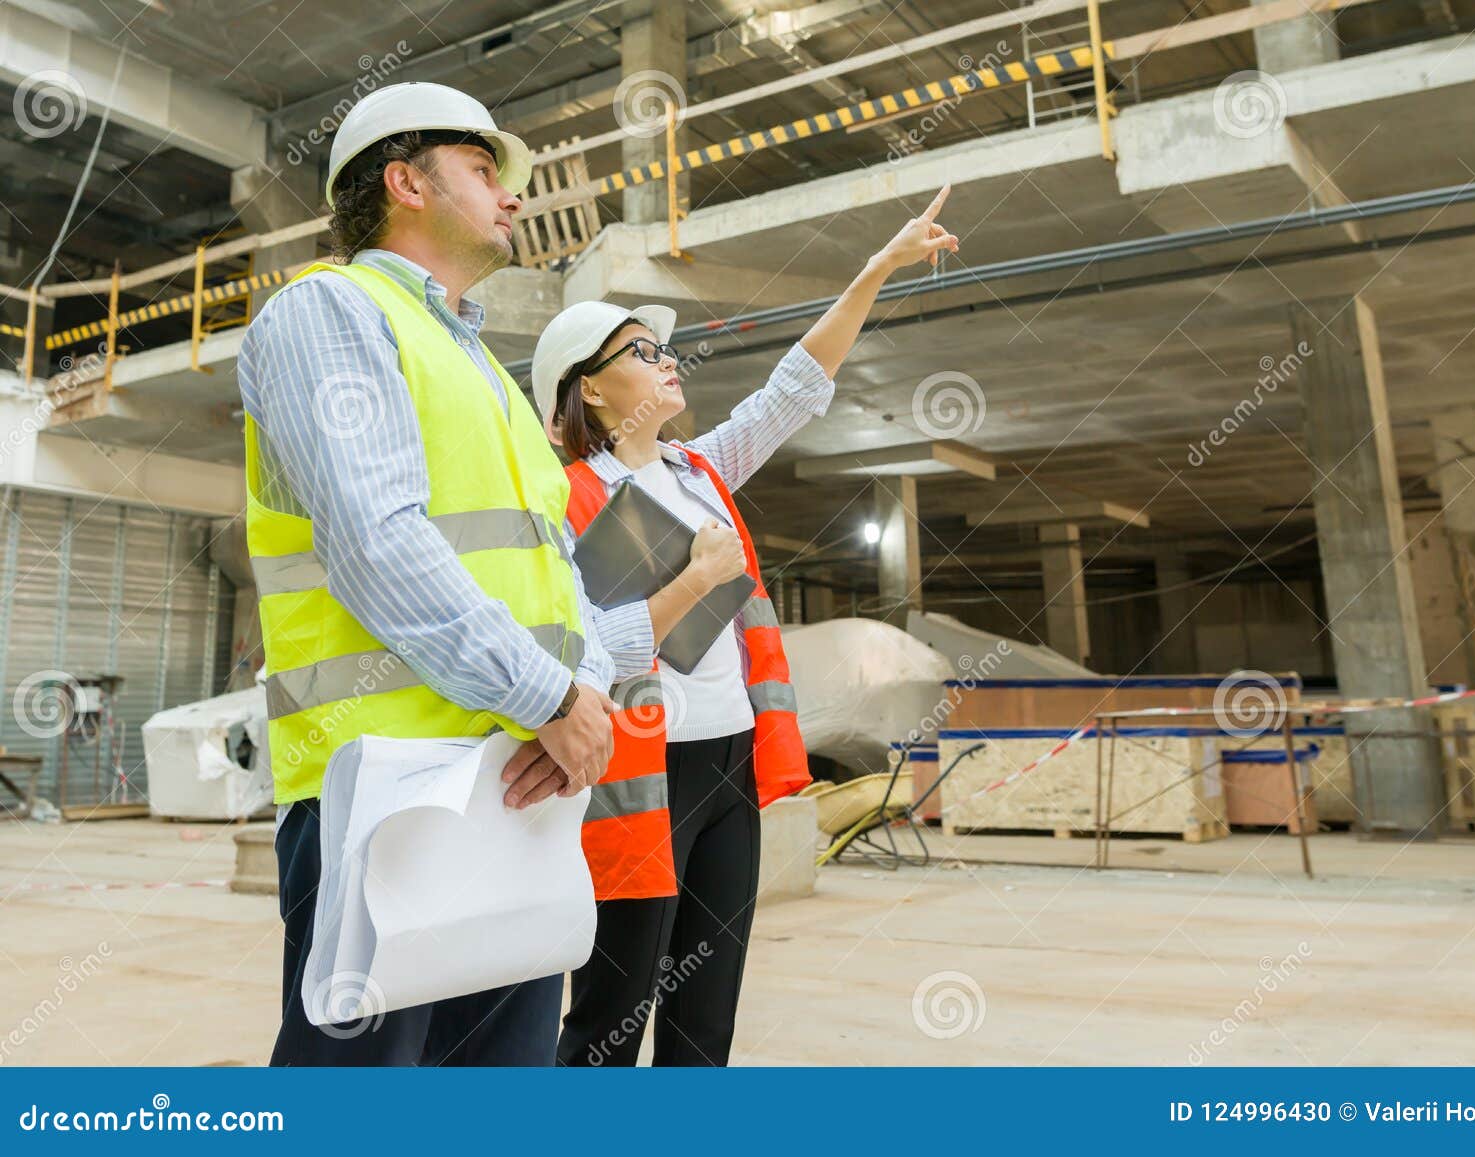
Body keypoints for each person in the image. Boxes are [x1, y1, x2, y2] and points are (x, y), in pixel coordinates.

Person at [237, 82, 654, 1066]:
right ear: (404, 182)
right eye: (481, 168)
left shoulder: (482, 370)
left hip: (514, 782)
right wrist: (551, 697)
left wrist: (585, 697)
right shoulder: (330, 312)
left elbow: (557, 566)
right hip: (382, 790)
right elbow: (377, 542)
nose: (513, 194)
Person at [533, 186, 960, 1066]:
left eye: (663, 348)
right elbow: (596, 650)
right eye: (641, 351)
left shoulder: (700, 470)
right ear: (591, 390)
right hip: (641, 773)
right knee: (612, 1011)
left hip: (729, 762)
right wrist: (697, 577)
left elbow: (794, 388)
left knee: (708, 1013)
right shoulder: (566, 498)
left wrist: (879, 267)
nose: (666, 361)